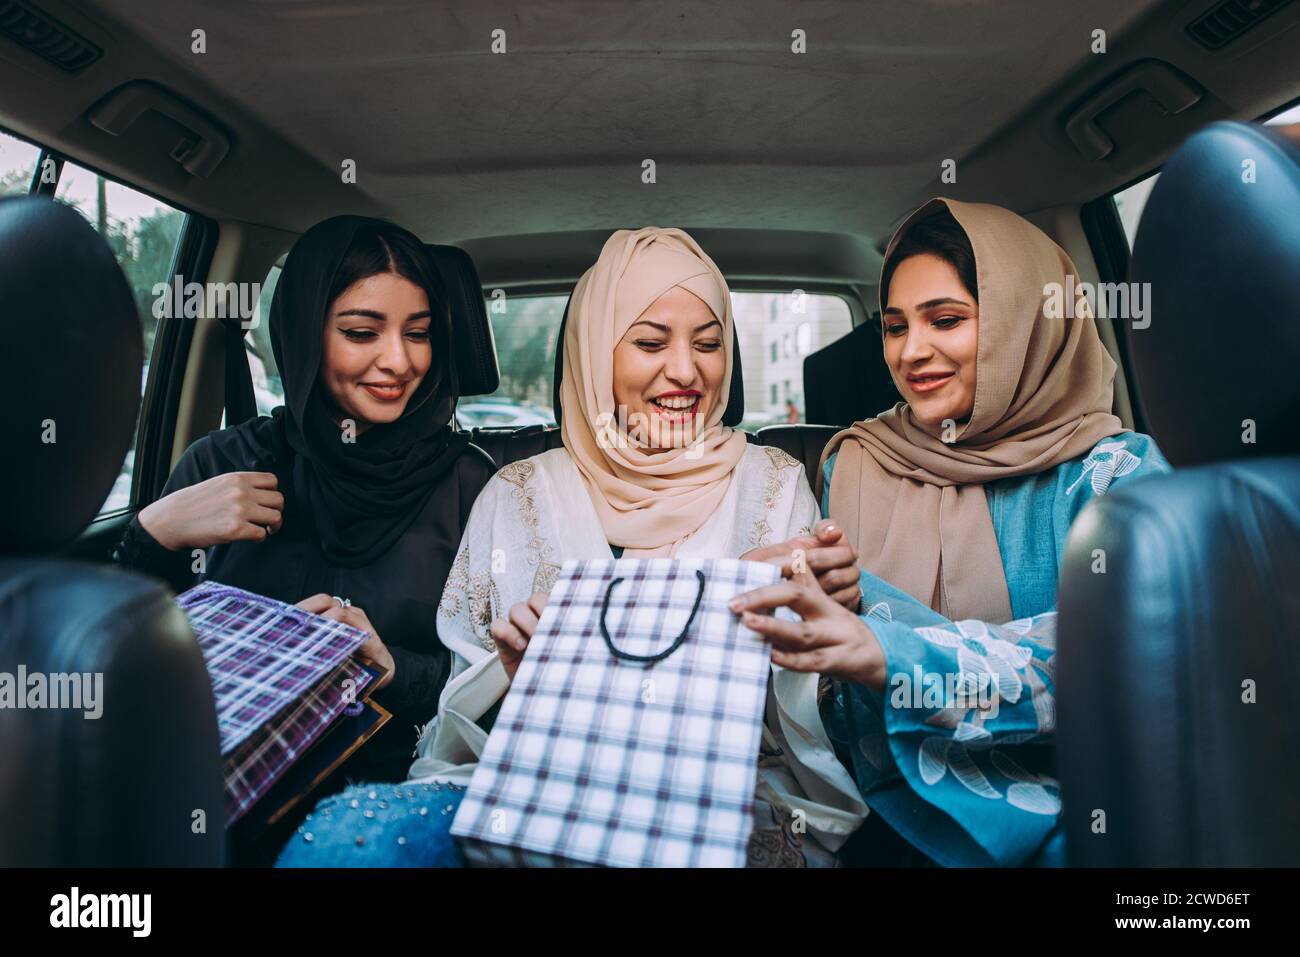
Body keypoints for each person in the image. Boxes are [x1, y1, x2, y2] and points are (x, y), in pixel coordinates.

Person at [277, 226, 868, 866]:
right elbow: (457, 705)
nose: (685, 370)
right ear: (593, 356)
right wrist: (509, 678)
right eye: (648, 343)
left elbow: (817, 714)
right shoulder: (516, 492)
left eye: (708, 343)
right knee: (345, 839)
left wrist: (825, 620)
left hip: (728, 791)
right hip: (544, 781)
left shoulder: (773, 483)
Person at [728, 199, 1171, 866]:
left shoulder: (1115, 472)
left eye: (948, 320)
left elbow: (1123, 654)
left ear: (1027, 322)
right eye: (896, 326)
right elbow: (836, 704)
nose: (912, 352)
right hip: (881, 814)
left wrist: (888, 647)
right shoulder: (855, 459)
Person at [113, 216, 494, 782]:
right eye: (362, 332)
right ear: (303, 334)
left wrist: (395, 669)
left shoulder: (471, 485)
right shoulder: (220, 464)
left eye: (418, 332)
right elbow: (123, 657)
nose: (399, 360)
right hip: (219, 785)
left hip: (400, 791)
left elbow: (499, 682)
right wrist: (154, 533)